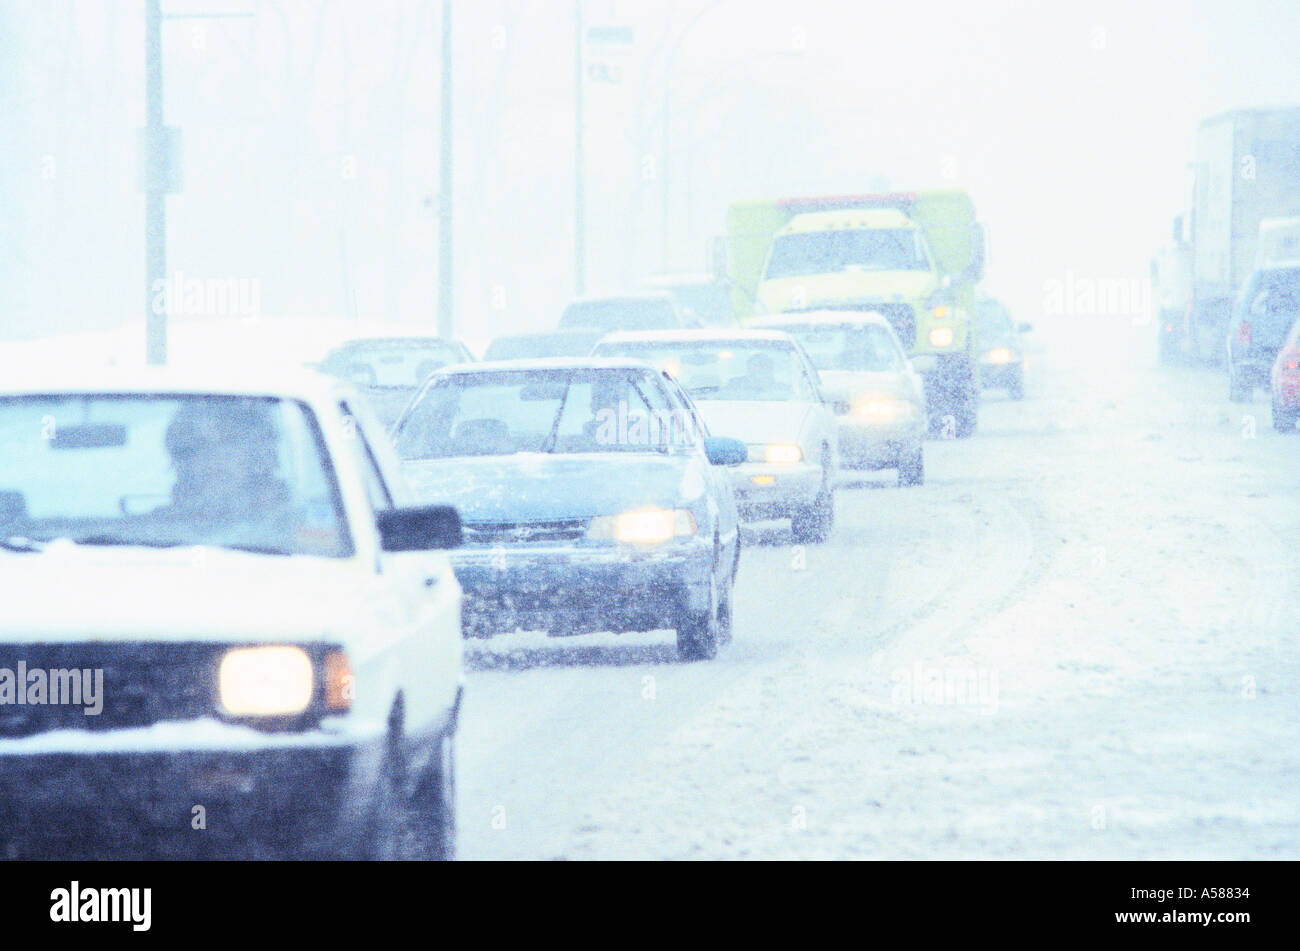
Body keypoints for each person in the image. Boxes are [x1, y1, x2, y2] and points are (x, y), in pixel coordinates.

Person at [159, 400, 295, 531]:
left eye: (229, 444)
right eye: (201, 446)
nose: (214, 458)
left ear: (258, 454)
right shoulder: (153, 533)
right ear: (184, 458)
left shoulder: (297, 532)